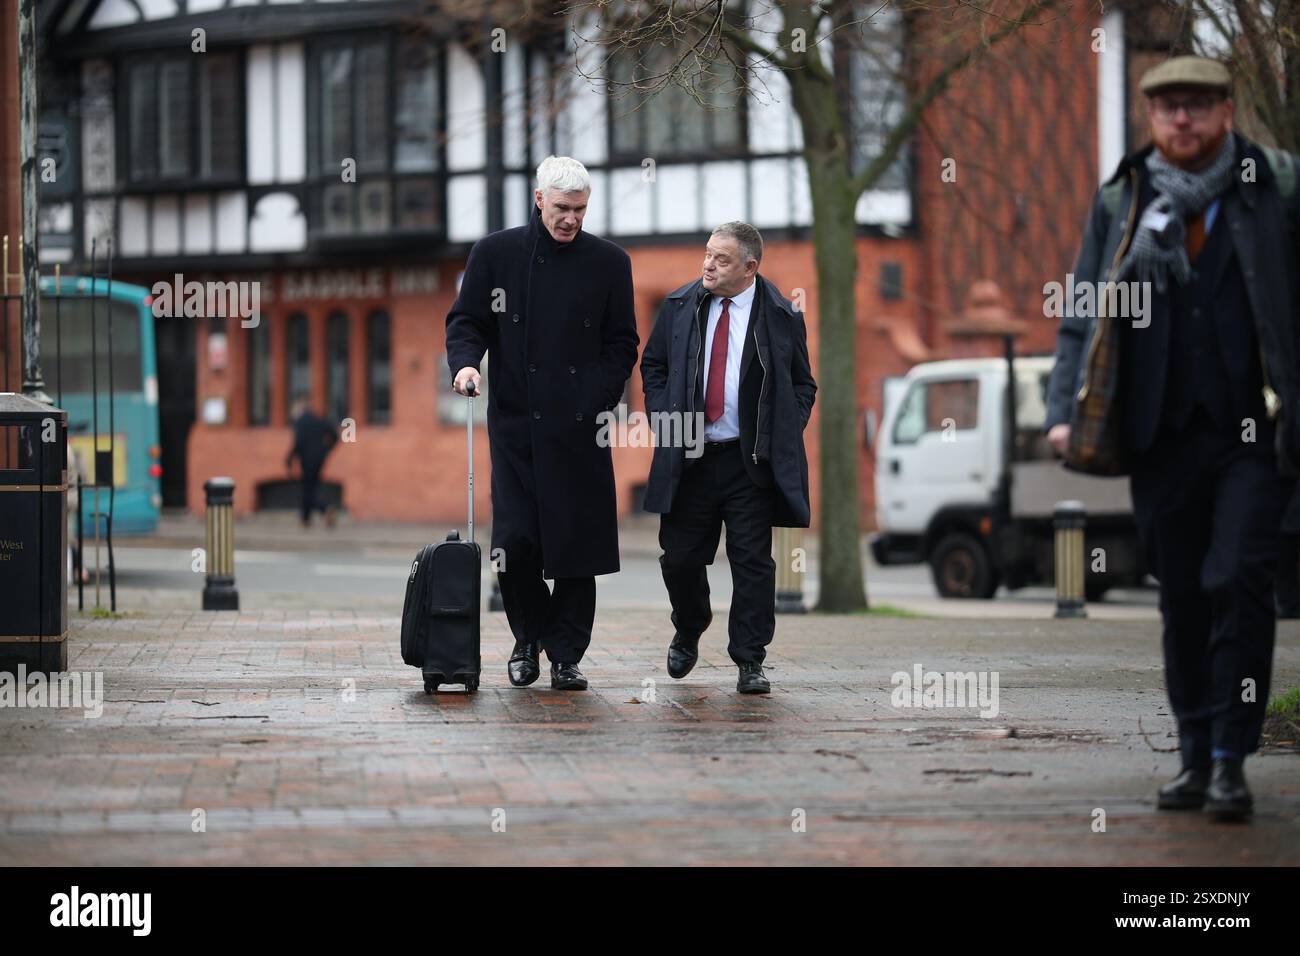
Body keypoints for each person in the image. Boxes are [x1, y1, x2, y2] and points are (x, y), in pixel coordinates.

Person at [1045, 56, 1300, 821]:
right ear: (1152, 120)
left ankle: (1230, 758)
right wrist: (1064, 405)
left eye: (1196, 107)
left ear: (1226, 112)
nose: (1181, 121)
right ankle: (1193, 756)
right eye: (1167, 110)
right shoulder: (1126, 197)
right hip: (1156, 433)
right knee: (1182, 597)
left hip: (1255, 431)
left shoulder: (1277, 188)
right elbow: (1083, 309)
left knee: (1238, 580)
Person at [445, 155, 639, 691]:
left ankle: (567, 655)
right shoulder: (496, 253)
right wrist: (464, 363)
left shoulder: (608, 262)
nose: (570, 219)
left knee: (578, 547)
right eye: (561, 208)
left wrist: (595, 394)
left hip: (580, 428)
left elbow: (623, 341)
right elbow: (467, 321)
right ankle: (527, 639)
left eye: (579, 209)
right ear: (538, 200)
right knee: (517, 544)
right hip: (516, 427)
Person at [640, 222, 816, 694]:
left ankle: (750, 660)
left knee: (753, 564)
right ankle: (690, 625)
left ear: (749, 267)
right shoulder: (679, 305)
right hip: (692, 458)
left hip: (748, 461)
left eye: (720, 259)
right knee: (679, 559)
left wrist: (781, 432)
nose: (708, 265)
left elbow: (804, 384)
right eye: (707, 254)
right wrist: (663, 419)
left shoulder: (780, 313)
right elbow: (653, 365)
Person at [286, 395, 338, 529]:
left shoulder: (300, 422)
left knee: (307, 490)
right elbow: (334, 434)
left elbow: (299, 442)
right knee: (310, 488)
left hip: (307, 460)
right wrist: (326, 449)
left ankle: (324, 508)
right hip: (319, 459)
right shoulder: (317, 419)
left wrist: (290, 459)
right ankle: (306, 520)